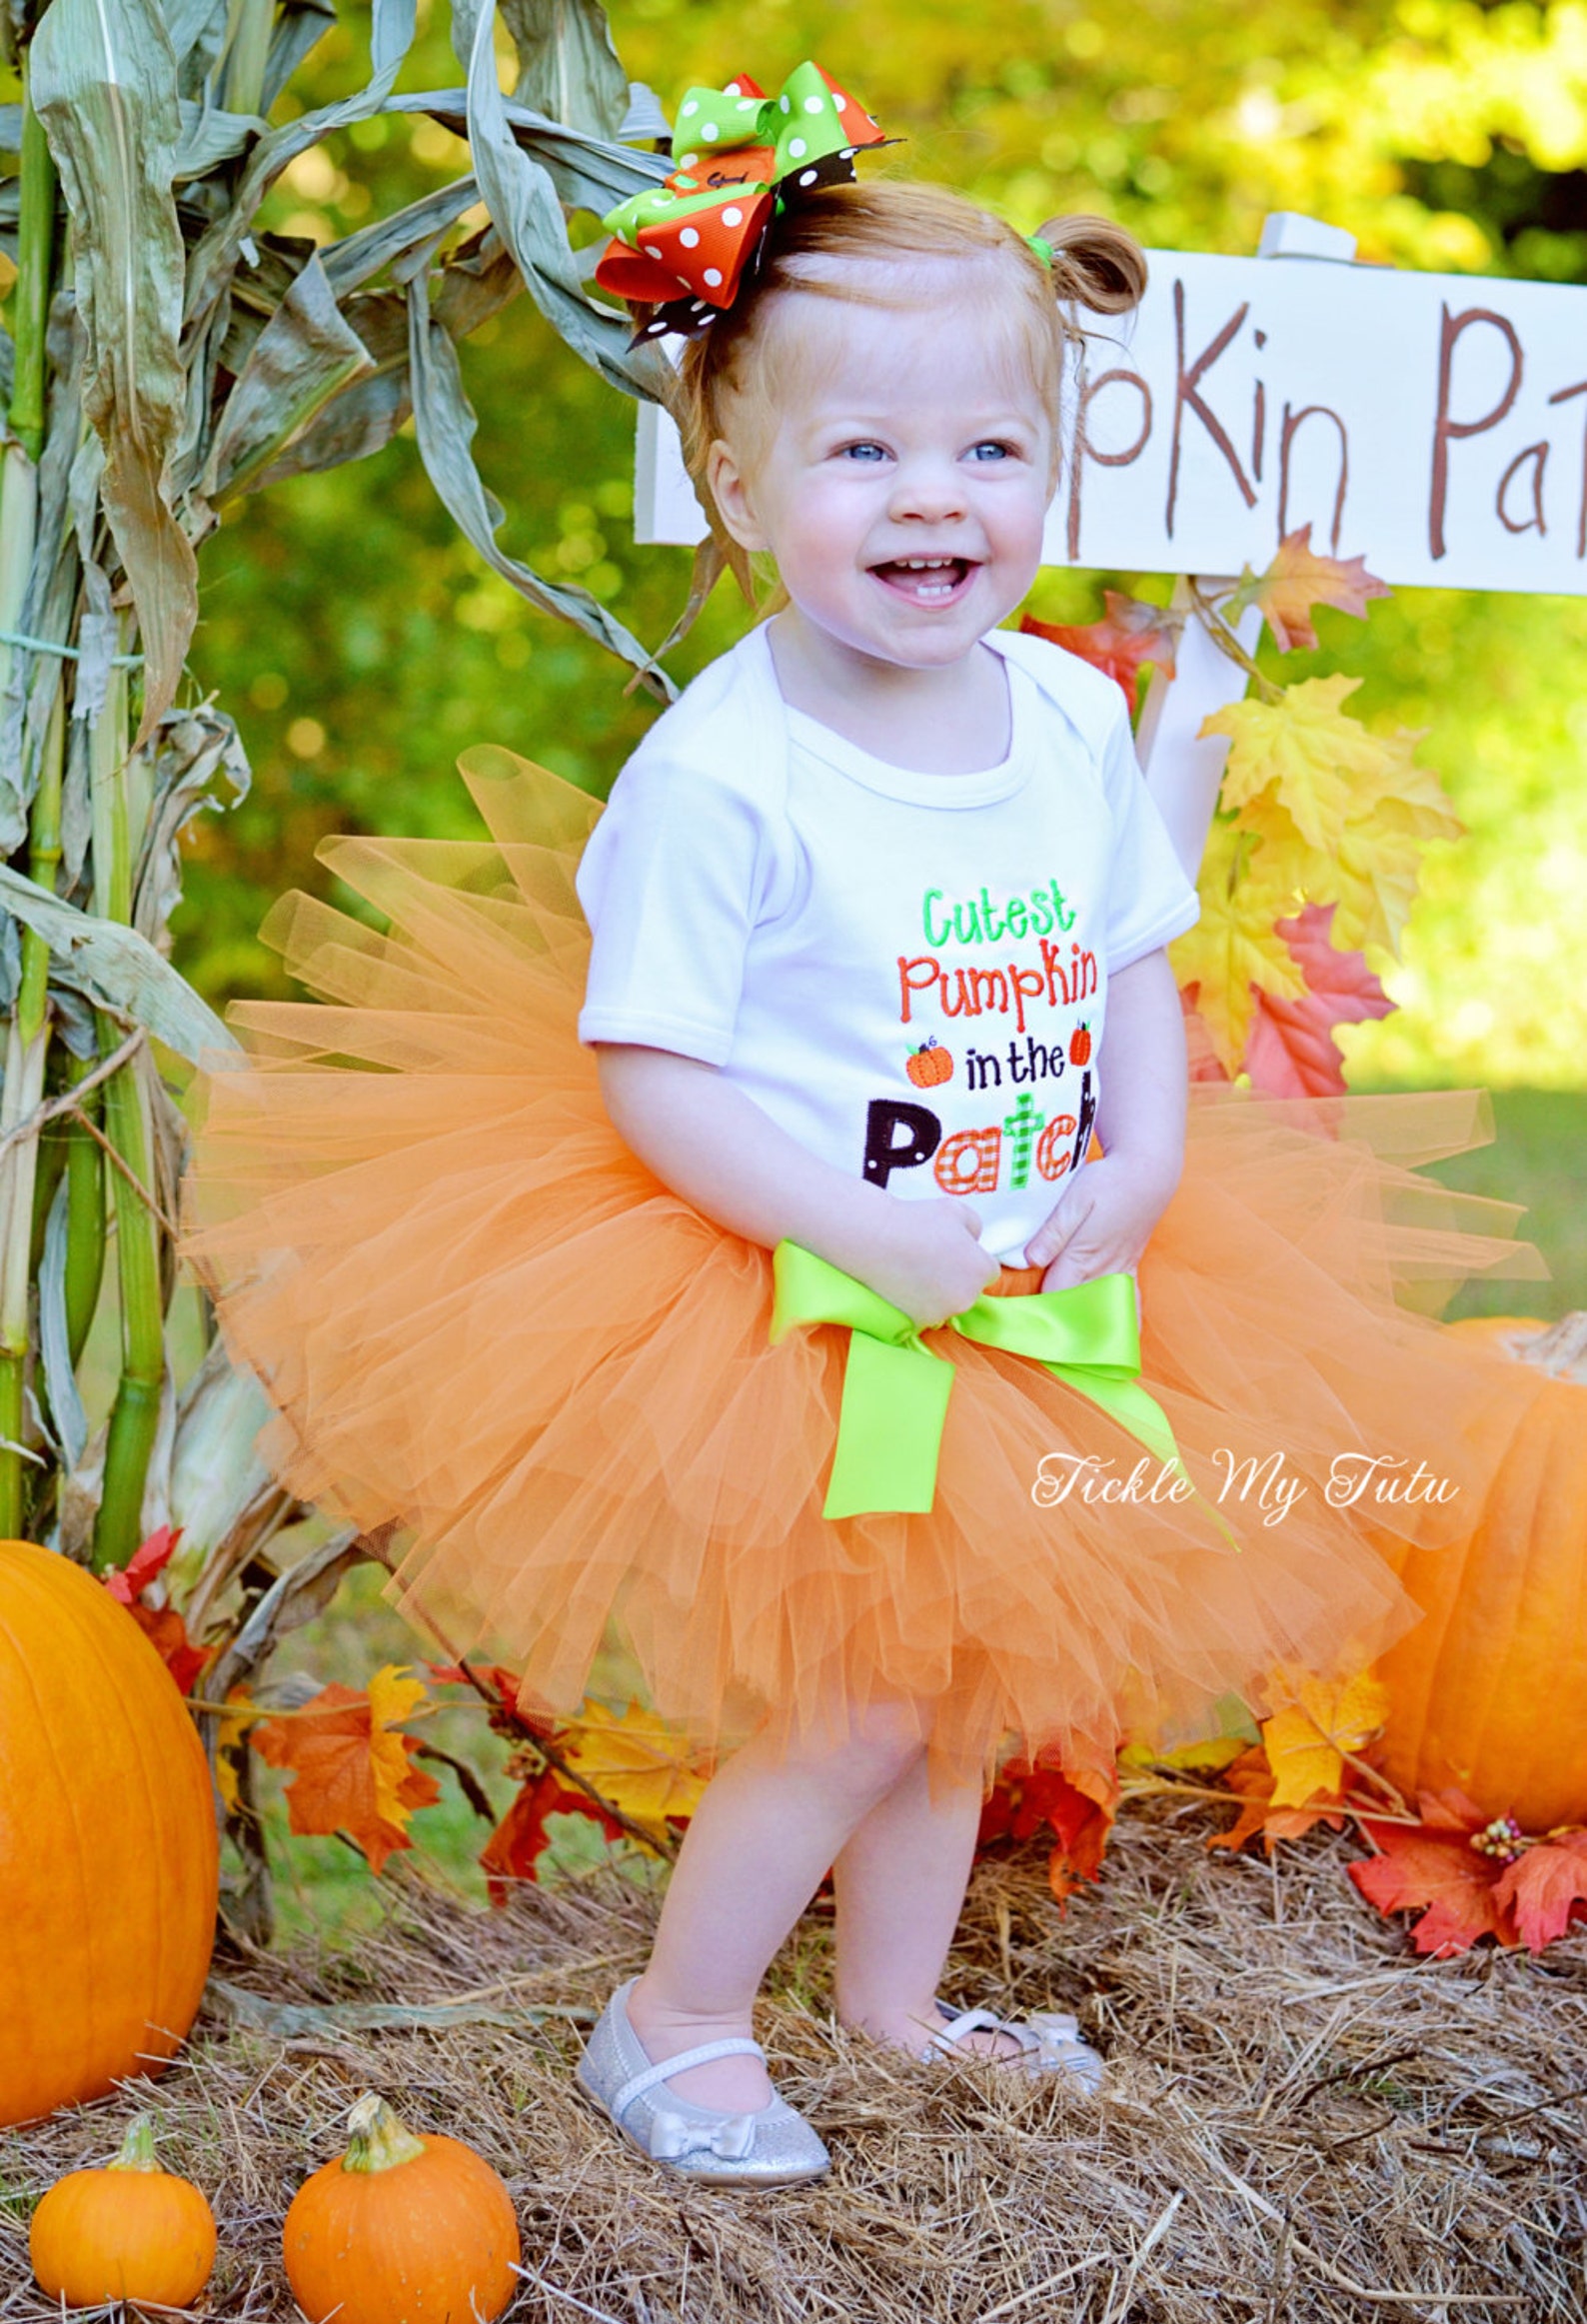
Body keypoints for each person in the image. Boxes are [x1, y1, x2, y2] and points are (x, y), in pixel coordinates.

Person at [185, 67, 1540, 2191]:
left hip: (1030, 1253)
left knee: (963, 1679)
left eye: (988, 447)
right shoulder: (733, 772)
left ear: (1051, 462)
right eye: (865, 451)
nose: (936, 498)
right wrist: (864, 1236)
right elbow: (651, 1073)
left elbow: (1120, 960)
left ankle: (899, 2011)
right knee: (840, 1699)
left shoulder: (1069, 713)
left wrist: (1149, 1160)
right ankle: (676, 2019)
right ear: (732, 470)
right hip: (801, 1286)